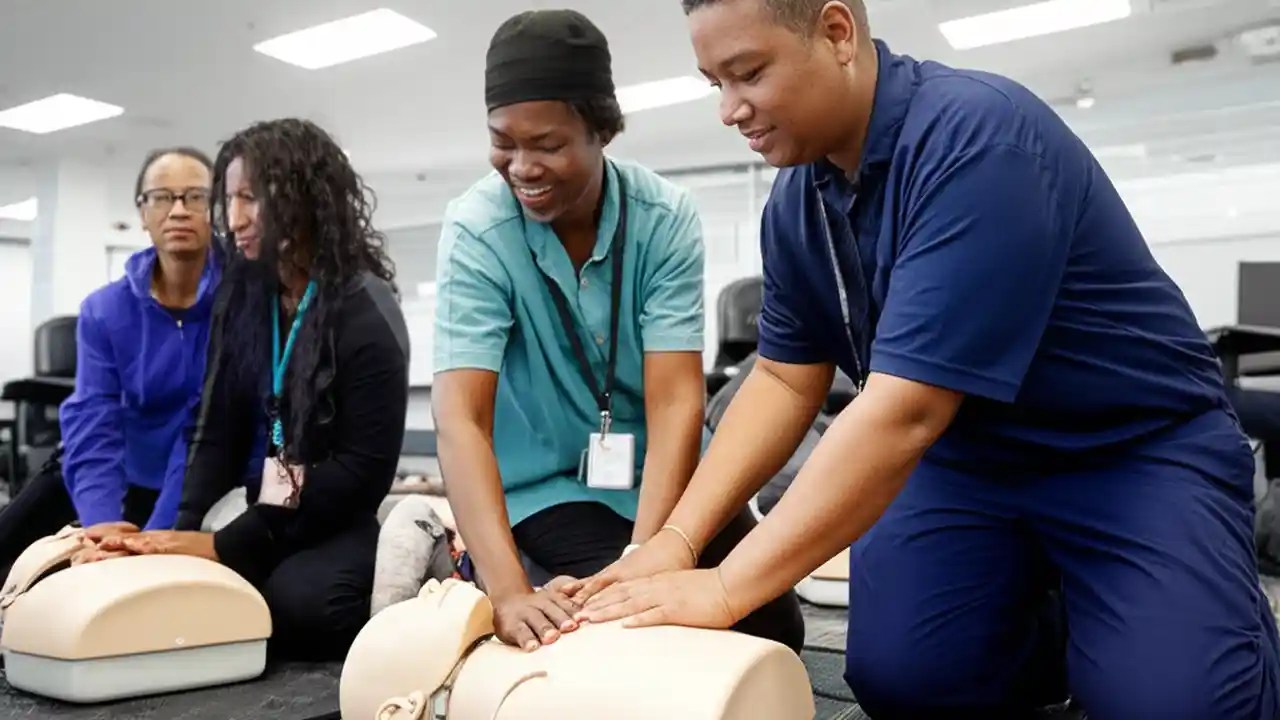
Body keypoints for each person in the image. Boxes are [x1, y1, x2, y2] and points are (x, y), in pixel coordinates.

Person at [573, 1, 1280, 718]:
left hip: (1129, 452)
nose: (729, 109)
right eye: (712, 83)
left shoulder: (979, 139)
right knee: (903, 678)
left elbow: (904, 412)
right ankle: (1084, 628)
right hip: (968, 460)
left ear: (838, 33)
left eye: (748, 73)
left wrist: (726, 589)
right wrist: (676, 540)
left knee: (1179, 701)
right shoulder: (798, 204)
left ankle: (1186, 623)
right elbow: (786, 378)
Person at [431, 8, 804, 655]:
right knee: (644, 629)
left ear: (602, 130)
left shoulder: (664, 219)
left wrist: (649, 550)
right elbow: (461, 420)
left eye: (547, 145)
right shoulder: (477, 232)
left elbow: (673, 402)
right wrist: (509, 590)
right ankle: (473, 557)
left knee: (770, 623)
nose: (522, 166)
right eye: (503, 142)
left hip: (660, 478)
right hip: (546, 487)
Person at [98, 118, 410, 661]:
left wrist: (226, 544)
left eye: (252, 199)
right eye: (229, 199)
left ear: (302, 199)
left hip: (334, 513)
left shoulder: (367, 312)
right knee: (186, 590)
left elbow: (361, 472)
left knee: (302, 608)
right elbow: (214, 425)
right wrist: (178, 531)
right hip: (266, 510)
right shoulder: (245, 290)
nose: (234, 220)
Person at [0, 147, 220, 574]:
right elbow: (94, 416)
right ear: (142, 213)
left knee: (138, 579)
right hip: (114, 467)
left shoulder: (238, 305)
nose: (178, 210)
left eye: (196, 197)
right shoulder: (105, 310)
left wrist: (151, 540)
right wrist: (101, 523)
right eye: (161, 197)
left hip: (195, 479)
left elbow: (202, 431)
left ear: (218, 210)